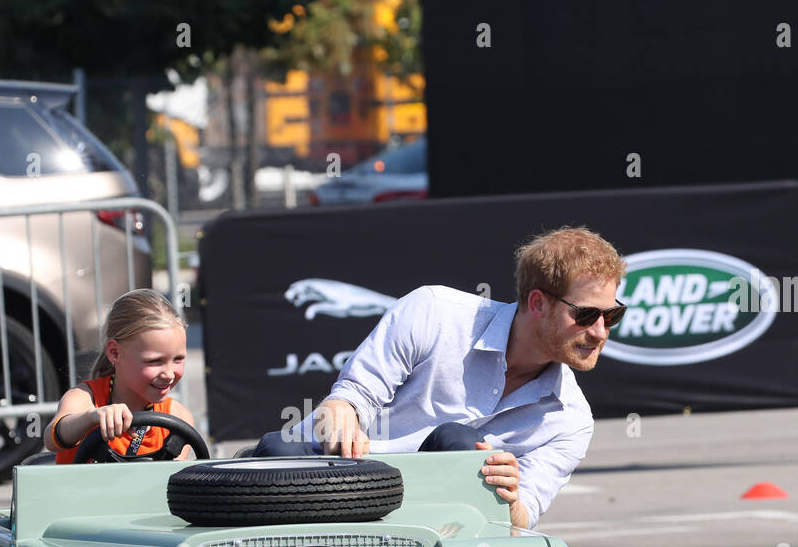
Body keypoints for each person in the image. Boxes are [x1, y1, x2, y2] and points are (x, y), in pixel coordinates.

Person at [254, 226, 627, 529]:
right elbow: (347, 401)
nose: (599, 332)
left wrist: (509, 497)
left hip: (426, 523)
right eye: (586, 315)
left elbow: (521, 519)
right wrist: (343, 429)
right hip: (324, 484)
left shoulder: (572, 421)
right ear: (537, 304)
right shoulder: (434, 312)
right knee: (278, 452)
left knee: (461, 445)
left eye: (611, 317)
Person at [47, 288, 196, 462]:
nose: (169, 374)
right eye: (154, 361)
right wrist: (92, 417)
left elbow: (171, 483)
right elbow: (53, 439)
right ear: (115, 353)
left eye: (178, 359)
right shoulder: (85, 398)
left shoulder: (178, 417)